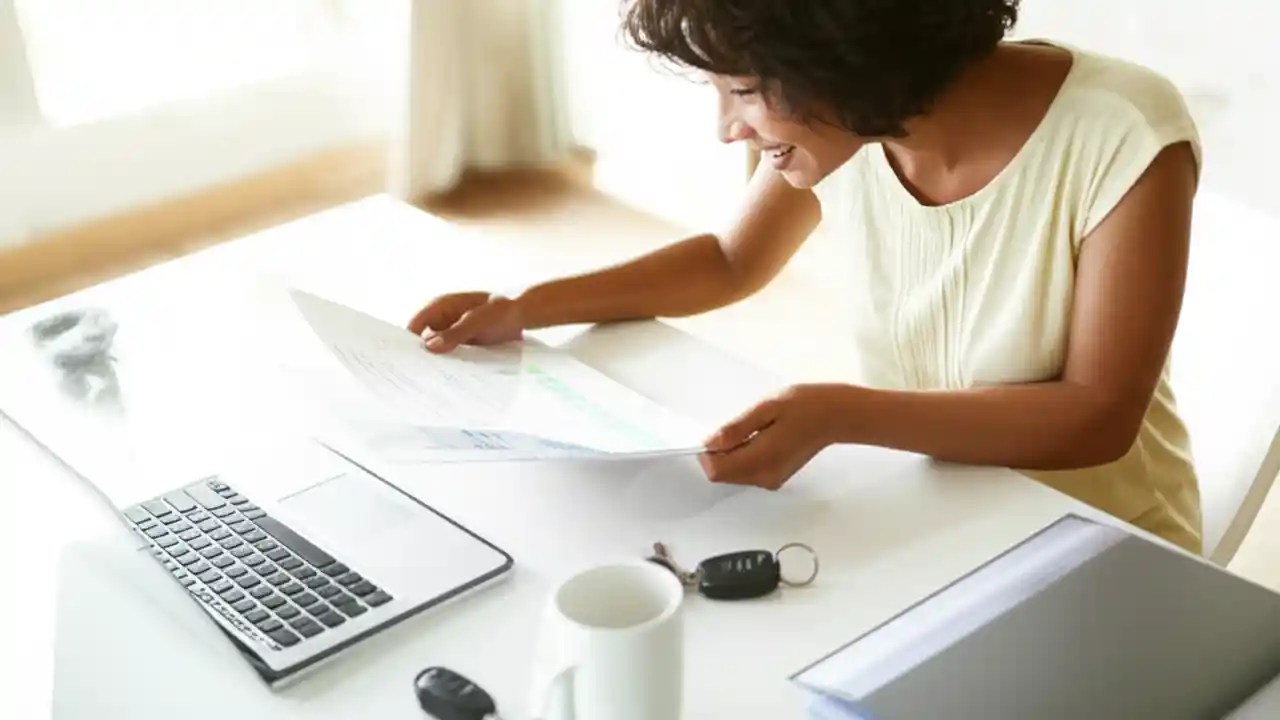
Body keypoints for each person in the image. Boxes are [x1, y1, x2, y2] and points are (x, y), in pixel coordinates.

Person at [407, 0, 1204, 553]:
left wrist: (837, 414)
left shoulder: (1121, 132)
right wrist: (526, 306)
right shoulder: (855, 129)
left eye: (744, 92)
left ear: (845, 54)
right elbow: (729, 260)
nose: (727, 130)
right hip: (934, 505)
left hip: (1104, 540)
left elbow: (1097, 415)